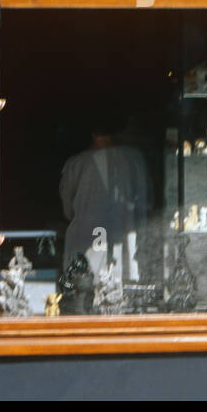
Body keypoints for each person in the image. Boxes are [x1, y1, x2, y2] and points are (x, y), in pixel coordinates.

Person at [59, 105, 150, 281]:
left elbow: (68, 210)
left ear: (91, 132)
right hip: (115, 235)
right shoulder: (133, 159)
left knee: (90, 285)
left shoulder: (76, 165)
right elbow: (144, 201)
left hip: (94, 236)